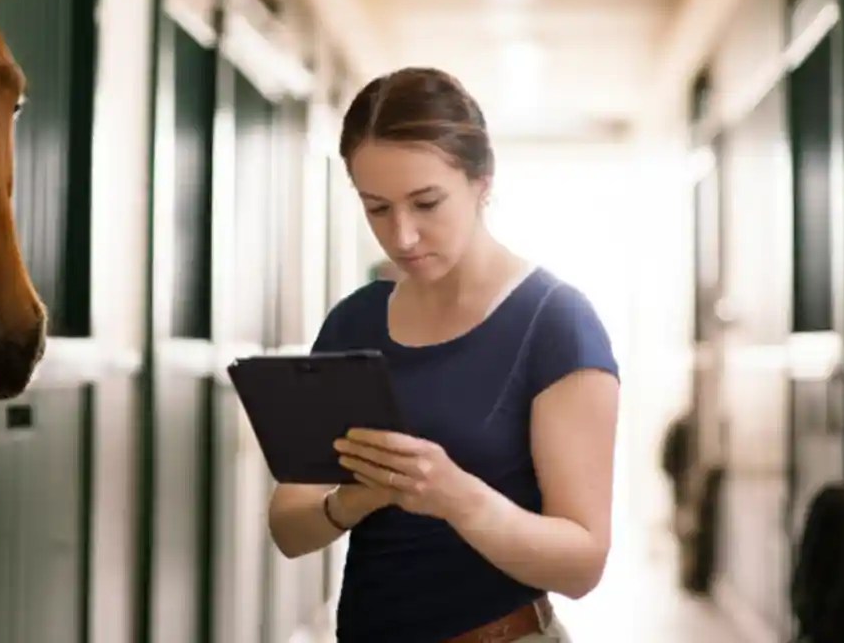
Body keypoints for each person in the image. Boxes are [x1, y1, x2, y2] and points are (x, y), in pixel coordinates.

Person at [266, 67, 620, 643]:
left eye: (426, 203)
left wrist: (456, 497)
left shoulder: (556, 322)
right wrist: (353, 501)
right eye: (377, 208)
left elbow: (582, 566)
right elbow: (288, 528)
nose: (402, 235)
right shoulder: (354, 321)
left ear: (482, 181)